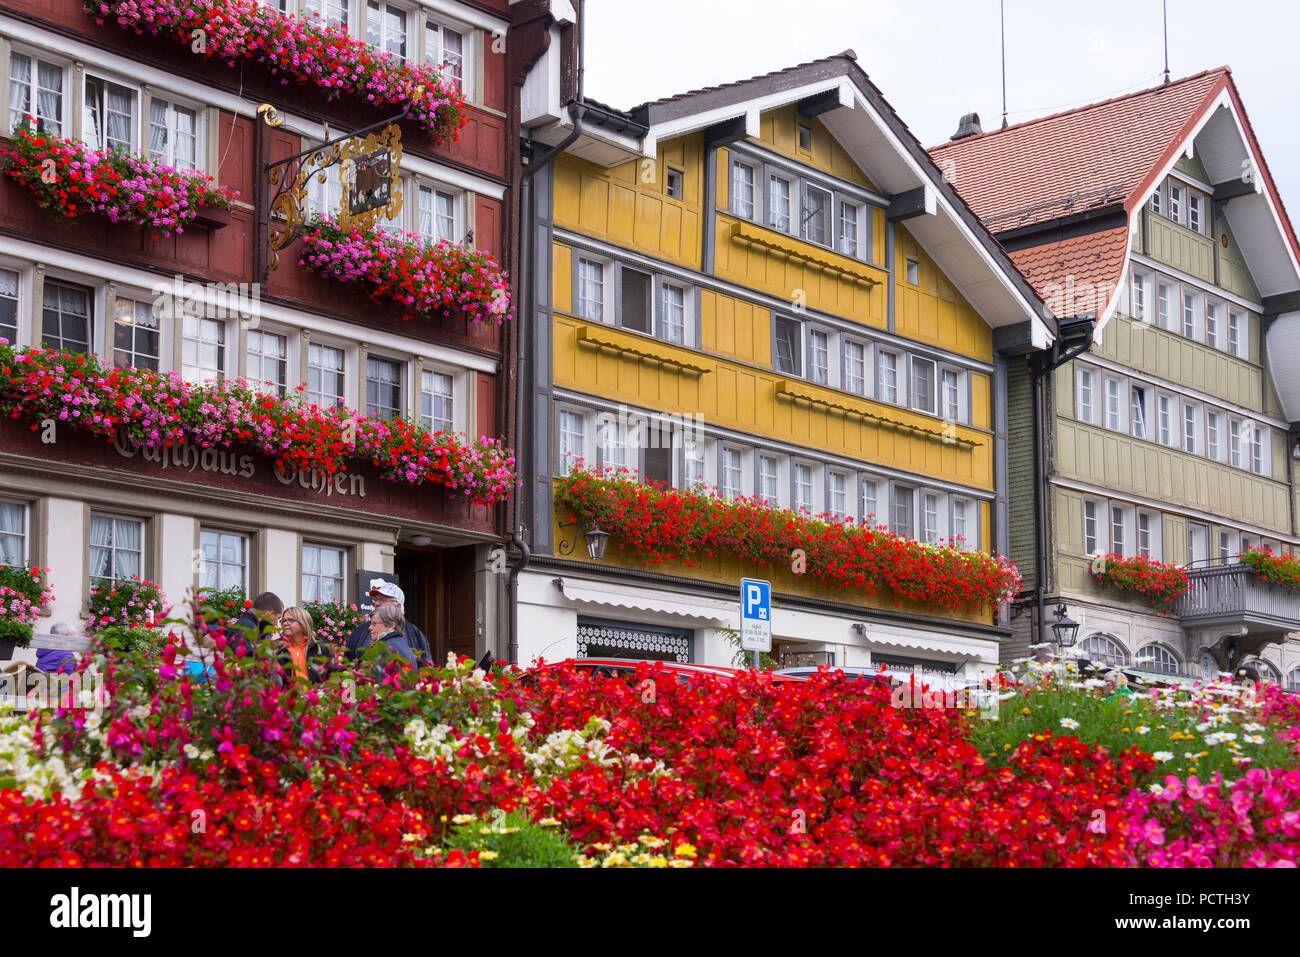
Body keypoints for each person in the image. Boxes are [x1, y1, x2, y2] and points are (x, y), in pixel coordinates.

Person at [345, 581, 431, 665]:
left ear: (398, 606)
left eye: (383, 600)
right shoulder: (361, 630)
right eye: (376, 599)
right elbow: (346, 664)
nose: (377, 603)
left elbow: (426, 671)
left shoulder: (414, 634)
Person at [359, 604, 418, 674]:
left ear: (391, 625)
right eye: (370, 624)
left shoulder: (386, 648)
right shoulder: (406, 647)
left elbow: (381, 681)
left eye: (374, 624)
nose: (370, 627)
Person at [278, 606, 331, 683]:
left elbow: (332, 678)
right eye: (283, 621)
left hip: (313, 694)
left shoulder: (321, 648)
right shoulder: (279, 649)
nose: (285, 623)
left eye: (290, 620)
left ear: (303, 622)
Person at [228, 591, 284, 658]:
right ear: (271, 613)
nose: (276, 623)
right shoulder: (245, 629)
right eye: (278, 618)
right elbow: (247, 661)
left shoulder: (256, 627)